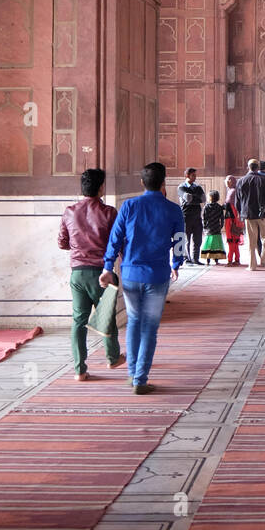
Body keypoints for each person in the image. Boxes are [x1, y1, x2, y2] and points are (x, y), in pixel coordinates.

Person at [99, 162, 184, 395]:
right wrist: (176, 264)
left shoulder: (129, 206)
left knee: (134, 322)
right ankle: (140, 379)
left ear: (141, 183)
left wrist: (108, 266)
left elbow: (115, 238)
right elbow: (179, 240)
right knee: (149, 327)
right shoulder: (173, 210)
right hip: (157, 275)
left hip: (130, 274)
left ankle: (132, 373)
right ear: (164, 182)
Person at [58, 167, 122, 383]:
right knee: (106, 317)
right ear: (101, 187)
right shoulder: (109, 212)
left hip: (77, 274)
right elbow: (117, 243)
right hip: (101, 273)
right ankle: (112, 358)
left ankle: (79, 370)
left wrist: (79, 247)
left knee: (78, 321)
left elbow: (62, 242)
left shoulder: (69, 211)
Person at [235, 159, 265, 271]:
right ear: (258, 167)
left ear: (248, 167)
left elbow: (238, 200)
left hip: (248, 214)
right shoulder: (264, 180)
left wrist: (240, 212)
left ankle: (252, 265)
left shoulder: (241, 181)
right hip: (263, 214)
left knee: (251, 240)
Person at [177, 166, 205, 266]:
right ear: (187, 175)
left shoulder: (198, 187)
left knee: (198, 239)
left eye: (195, 175)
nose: (195, 177)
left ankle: (195, 258)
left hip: (197, 216)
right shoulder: (181, 188)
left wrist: (192, 198)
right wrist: (196, 198)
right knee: (186, 239)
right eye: (193, 175)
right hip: (186, 216)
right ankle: (187, 259)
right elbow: (187, 198)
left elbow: (203, 199)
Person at [223, 176, 244, 265]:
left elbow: (231, 207)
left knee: (232, 239)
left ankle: (230, 260)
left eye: (228, 181)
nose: (226, 182)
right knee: (235, 240)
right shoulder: (232, 190)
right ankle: (236, 259)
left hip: (231, 219)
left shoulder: (233, 192)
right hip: (234, 218)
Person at [201, 190, 227, 264]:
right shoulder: (219, 207)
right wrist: (221, 226)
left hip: (209, 228)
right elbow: (222, 218)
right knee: (216, 244)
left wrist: (204, 227)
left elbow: (203, 218)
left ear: (210, 198)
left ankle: (207, 259)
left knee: (208, 244)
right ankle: (216, 260)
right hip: (216, 228)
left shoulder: (206, 207)